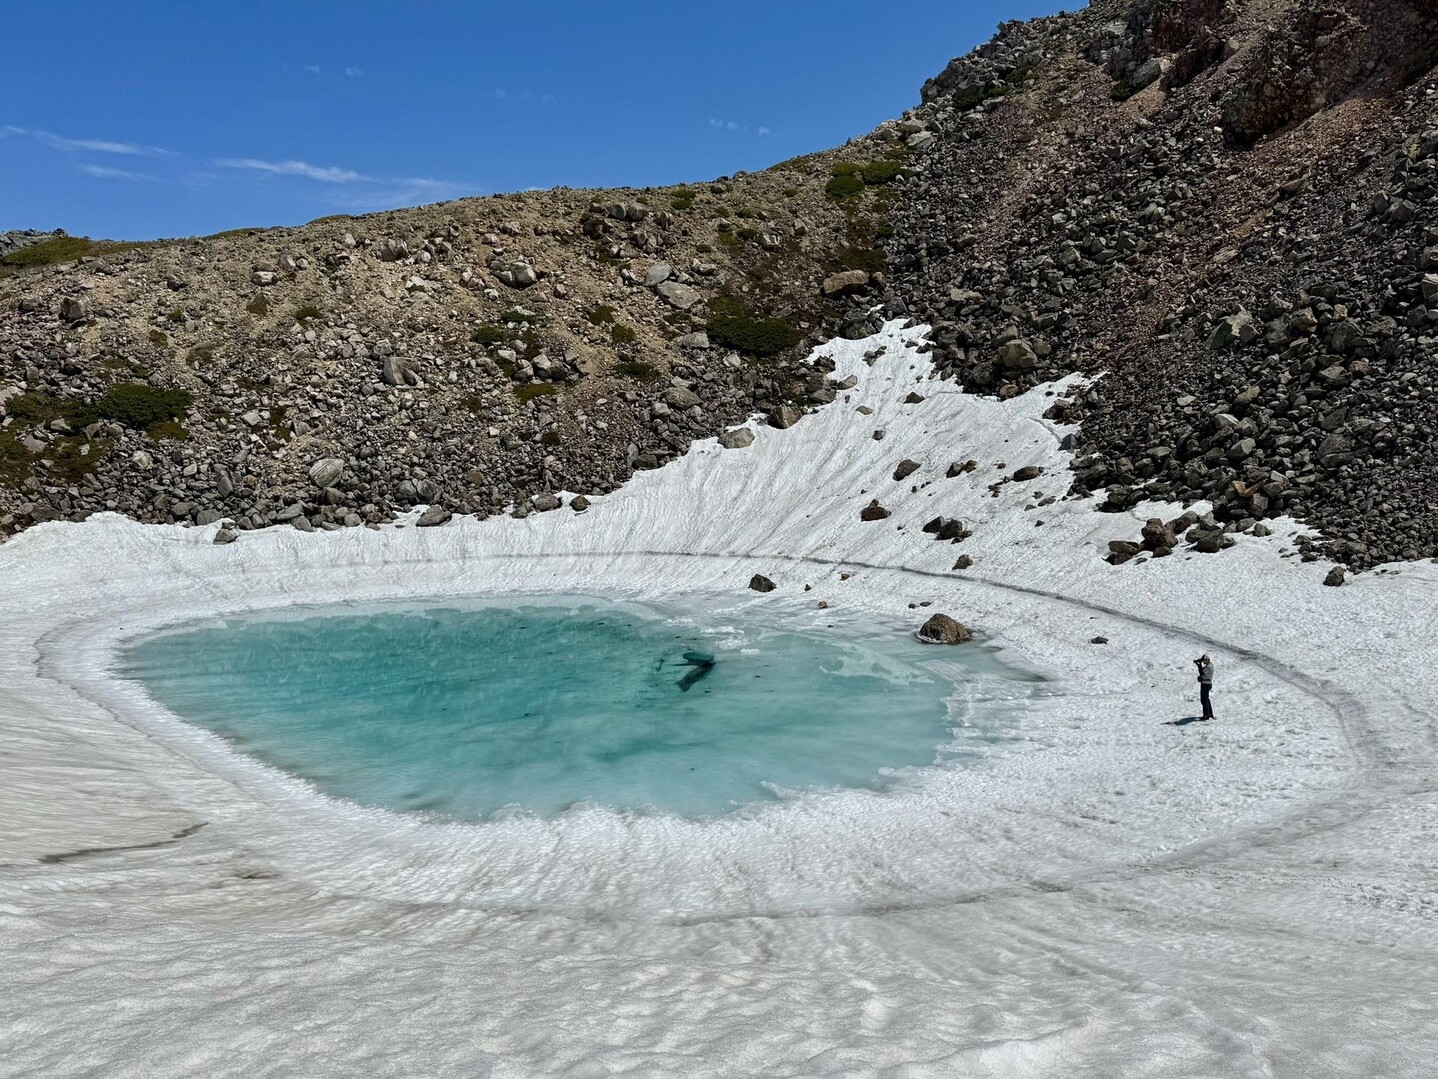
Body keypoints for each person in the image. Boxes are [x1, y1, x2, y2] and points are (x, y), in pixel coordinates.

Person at [1193, 654, 1215, 720]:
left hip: (1205, 684)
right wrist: (1199, 665)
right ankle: (1210, 713)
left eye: (1204, 660)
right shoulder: (1210, 665)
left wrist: (1199, 665)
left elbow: (1201, 672)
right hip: (1207, 683)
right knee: (1206, 699)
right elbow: (1203, 671)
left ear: (1207, 660)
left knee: (1204, 700)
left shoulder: (1208, 667)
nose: (1203, 662)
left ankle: (1206, 715)